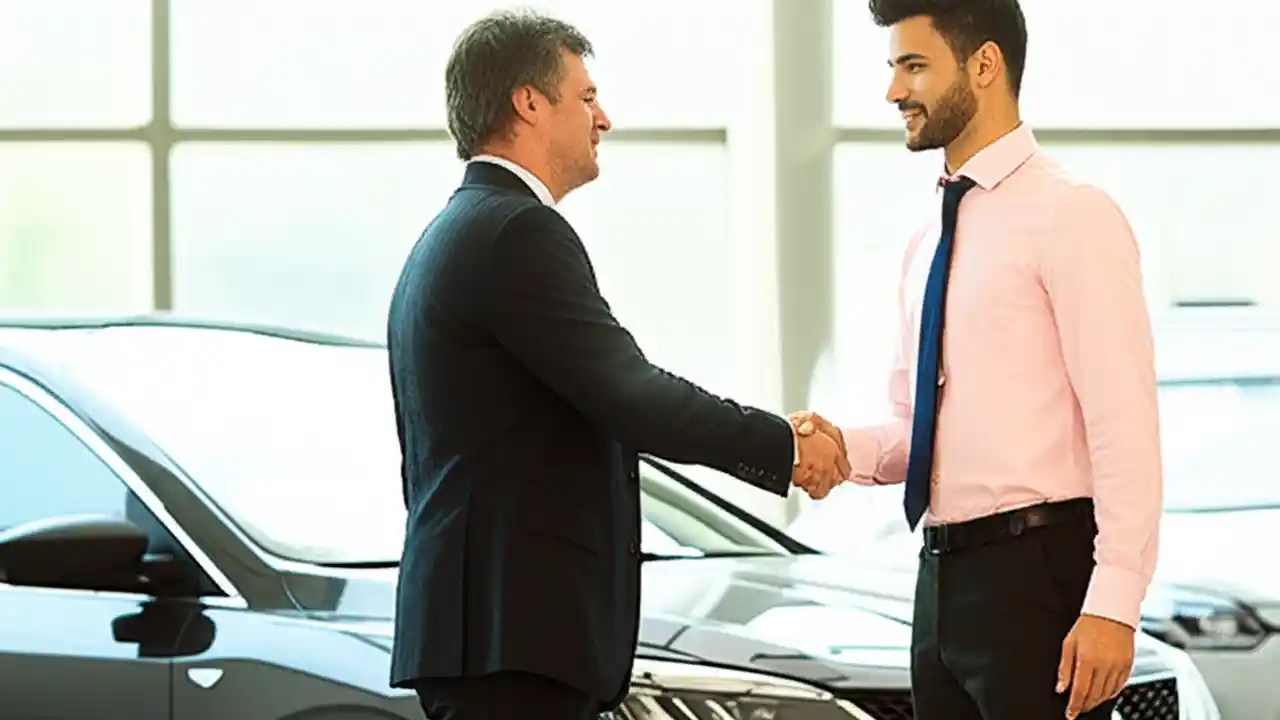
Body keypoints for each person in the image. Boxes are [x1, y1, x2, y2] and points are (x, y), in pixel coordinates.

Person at [384, 10, 851, 720]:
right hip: (513, 639)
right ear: (529, 103)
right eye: (587, 97)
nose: (604, 119)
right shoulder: (518, 232)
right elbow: (631, 394)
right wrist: (783, 445)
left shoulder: (451, 234)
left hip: (483, 633)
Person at [797, 1, 1163, 717]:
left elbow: (1125, 426)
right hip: (939, 581)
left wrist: (1115, 601)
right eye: (893, 68)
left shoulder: (1072, 214)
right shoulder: (926, 239)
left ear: (984, 65)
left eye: (914, 66)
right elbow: (918, 429)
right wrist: (841, 445)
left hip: (1039, 571)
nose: (894, 91)